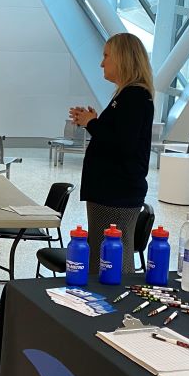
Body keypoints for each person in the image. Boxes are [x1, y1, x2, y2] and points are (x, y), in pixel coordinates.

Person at [69, 33, 154, 277]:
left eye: (106, 56)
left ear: (123, 58)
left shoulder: (135, 96)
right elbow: (119, 134)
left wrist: (93, 123)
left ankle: (115, 304)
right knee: (103, 252)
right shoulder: (127, 95)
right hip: (109, 190)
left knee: (111, 254)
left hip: (116, 193)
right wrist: (95, 121)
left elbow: (124, 144)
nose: (102, 62)